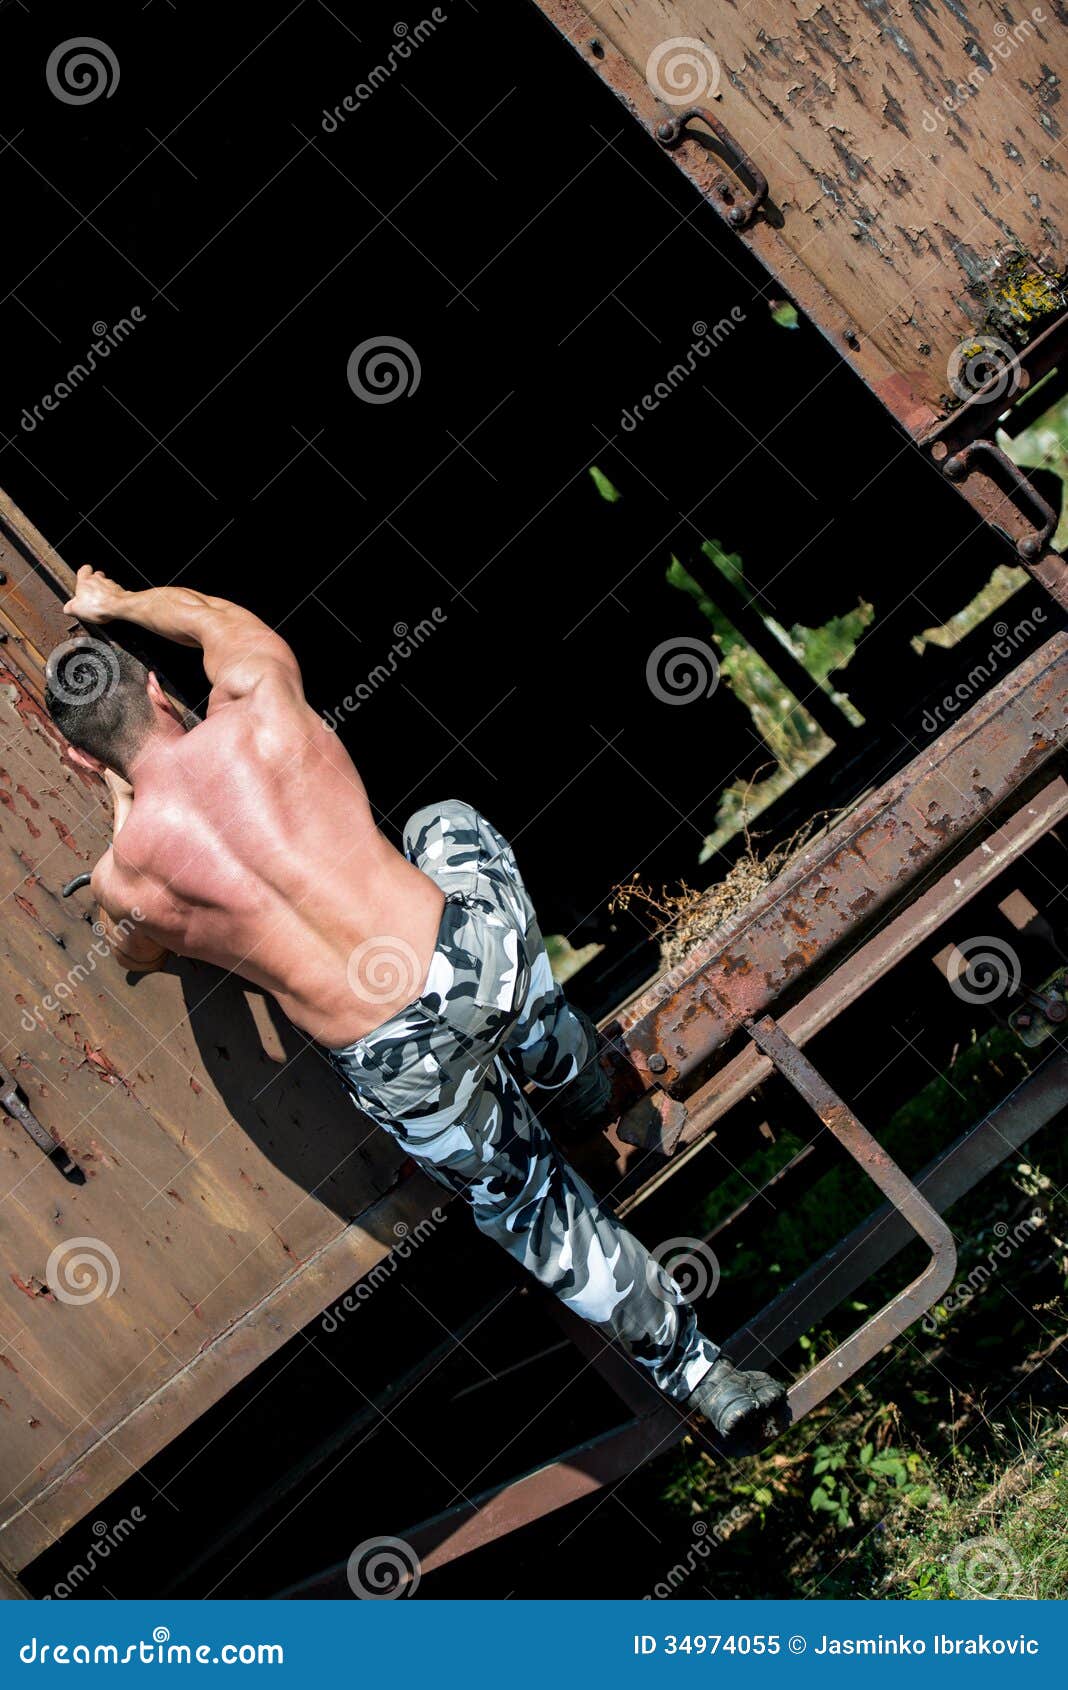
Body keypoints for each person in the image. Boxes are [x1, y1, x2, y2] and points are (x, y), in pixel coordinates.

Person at [45, 566, 787, 1447]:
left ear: (82, 759)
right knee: (443, 823)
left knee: (535, 1212)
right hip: (466, 962)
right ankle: (567, 1064)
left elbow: (135, 952)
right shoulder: (257, 697)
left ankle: (706, 1379)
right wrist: (115, 605)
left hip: (395, 1062)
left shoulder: (127, 880)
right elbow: (206, 616)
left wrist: (123, 805)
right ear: (157, 690)